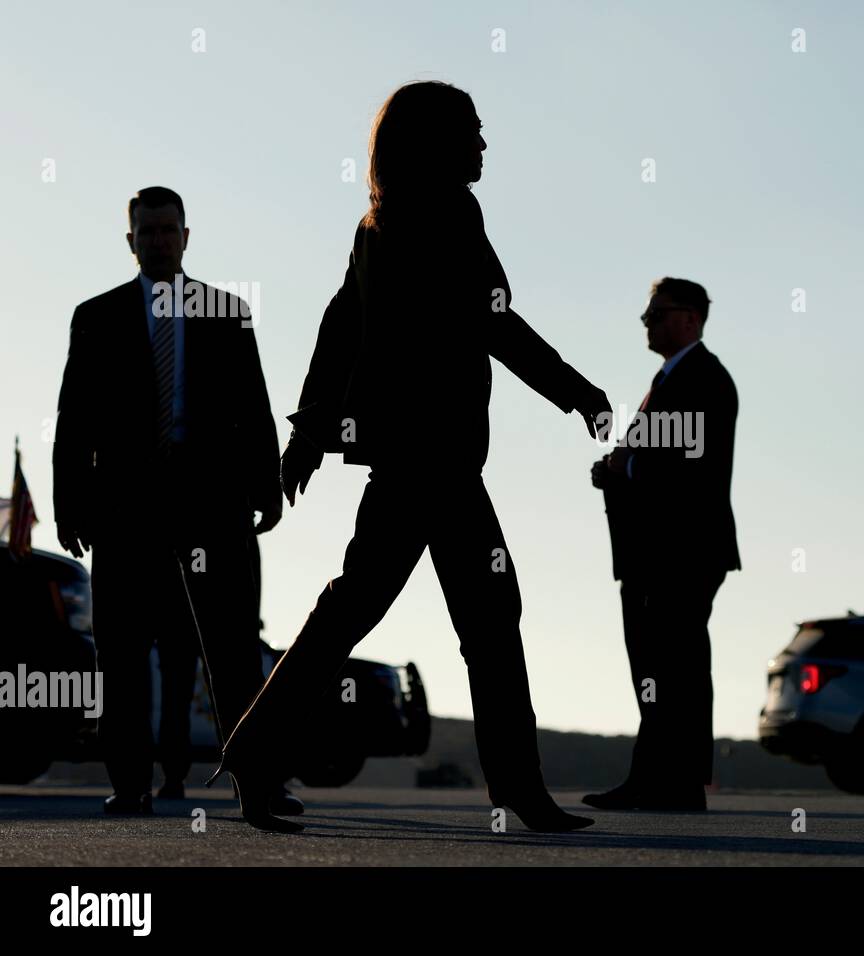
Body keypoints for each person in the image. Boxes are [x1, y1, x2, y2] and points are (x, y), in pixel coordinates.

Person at [211, 81, 612, 833]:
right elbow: (493, 322)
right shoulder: (450, 212)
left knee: (360, 607)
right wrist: (576, 390)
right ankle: (519, 790)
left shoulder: (377, 222)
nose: (486, 146)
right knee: (483, 617)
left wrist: (306, 436)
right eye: (476, 133)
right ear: (439, 141)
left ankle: (255, 753)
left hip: (409, 457)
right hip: (437, 459)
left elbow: (340, 327)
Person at [53, 186, 296, 816]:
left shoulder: (228, 313)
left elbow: (255, 410)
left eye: (169, 230)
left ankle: (258, 788)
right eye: (147, 231)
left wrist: (266, 487)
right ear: (129, 239)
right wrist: (69, 504)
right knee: (123, 653)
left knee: (234, 651)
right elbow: (73, 421)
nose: (159, 240)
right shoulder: (97, 316)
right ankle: (131, 786)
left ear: (186, 237)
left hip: (211, 506)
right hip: (124, 511)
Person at [584, 278, 740, 812]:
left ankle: (666, 781)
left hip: (681, 550)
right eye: (647, 315)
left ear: (691, 318)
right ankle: (667, 780)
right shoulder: (672, 378)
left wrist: (623, 468)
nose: (648, 323)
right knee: (664, 664)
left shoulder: (704, 379)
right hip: (659, 550)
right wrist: (617, 469)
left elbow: (686, 466)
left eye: (658, 313)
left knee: (671, 663)